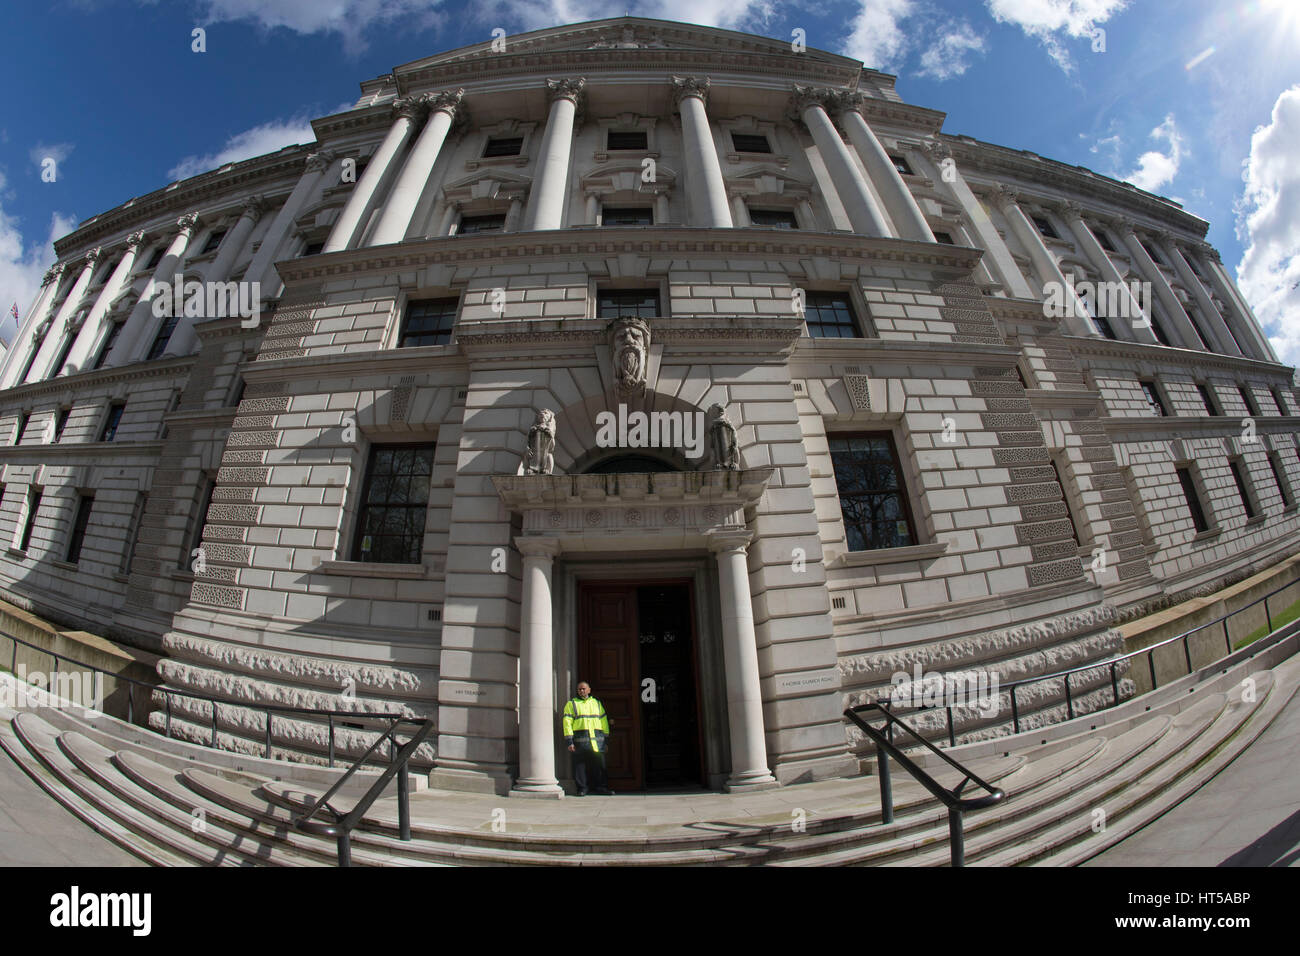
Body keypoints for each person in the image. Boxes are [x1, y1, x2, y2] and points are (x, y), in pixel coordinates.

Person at [563, 681, 614, 796]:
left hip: (597, 742)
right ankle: (582, 788)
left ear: (589, 690)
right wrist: (569, 741)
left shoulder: (596, 703)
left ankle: (601, 787)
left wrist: (606, 740)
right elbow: (567, 723)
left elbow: (604, 721)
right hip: (580, 742)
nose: (582, 691)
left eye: (584, 689)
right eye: (580, 689)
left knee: (599, 766)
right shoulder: (571, 704)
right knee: (580, 767)